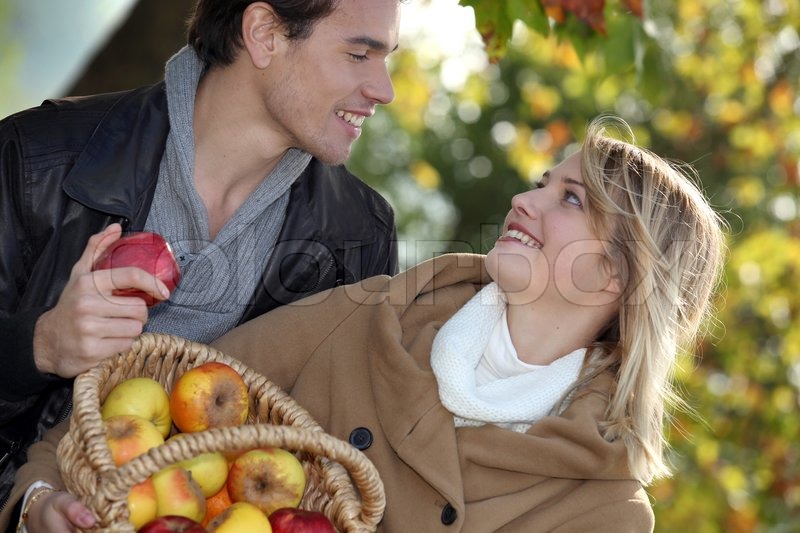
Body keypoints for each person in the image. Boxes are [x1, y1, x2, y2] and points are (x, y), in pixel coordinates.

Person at [2, 115, 727, 532]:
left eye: (569, 199)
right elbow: (144, 402)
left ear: (617, 275)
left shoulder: (603, 509)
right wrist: (38, 499)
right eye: (543, 182)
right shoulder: (370, 314)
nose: (523, 201)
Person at [0, 0, 403, 515]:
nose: (384, 89)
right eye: (358, 55)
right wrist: (42, 345)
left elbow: (332, 455)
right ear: (264, 34)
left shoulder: (361, 236)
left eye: (385, 58)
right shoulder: (36, 157)